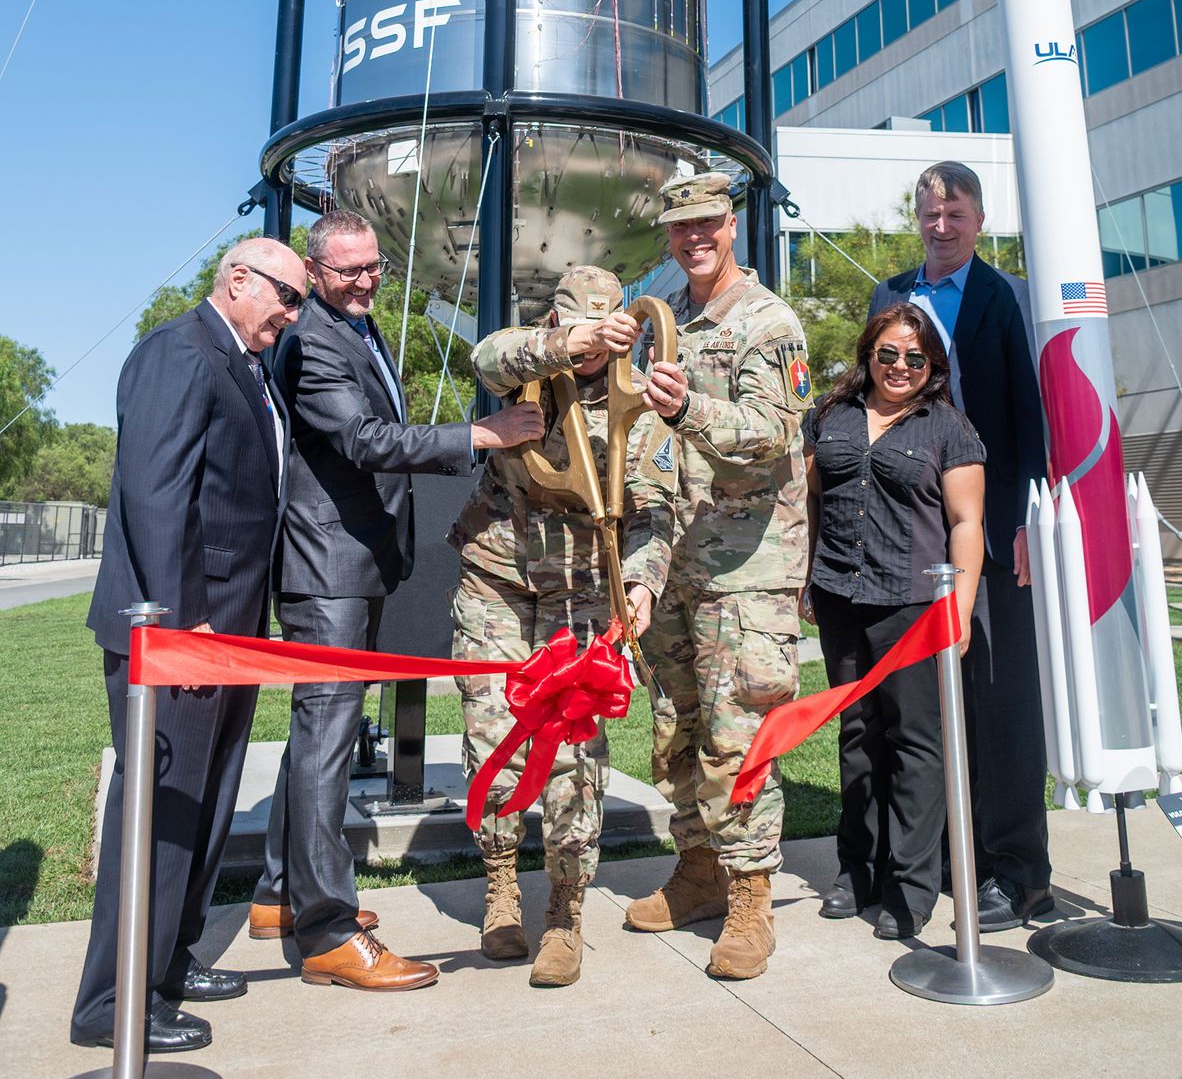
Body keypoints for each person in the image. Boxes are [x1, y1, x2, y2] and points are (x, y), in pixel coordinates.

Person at [248, 209, 540, 992]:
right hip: (327, 568)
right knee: (326, 739)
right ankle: (328, 933)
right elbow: (367, 442)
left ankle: (282, 892)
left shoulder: (355, 327)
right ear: (314, 273)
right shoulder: (312, 341)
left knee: (322, 735)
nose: (368, 281)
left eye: (375, 265)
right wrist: (480, 436)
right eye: (349, 271)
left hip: (357, 561)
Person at [71, 237, 308, 1055]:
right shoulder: (178, 350)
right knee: (161, 817)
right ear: (237, 278)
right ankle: (112, 1003)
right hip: (180, 633)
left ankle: (170, 959)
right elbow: (156, 492)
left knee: (206, 809)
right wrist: (180, 621)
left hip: (230, 627)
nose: (293, 312)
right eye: (286, 293)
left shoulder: (246, 363)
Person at [451, 265, 677, 988]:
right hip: (497, 578)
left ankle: (566, 913)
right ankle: (500, 887)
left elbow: (656, 511)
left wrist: (641, 583)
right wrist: (562, 342)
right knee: (493, 734)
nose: (590, 354)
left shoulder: (638, 405)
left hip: (582, 587)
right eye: (580, 333)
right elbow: (489, 353)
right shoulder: (522, 368)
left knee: (574, 751)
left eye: (604, 335)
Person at [625, 171, 812, 982]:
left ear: (731, 224)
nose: (693, 238)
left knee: (739, 735)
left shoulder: (768, 322)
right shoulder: (678, 325)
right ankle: (699, 870)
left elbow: (771, 433)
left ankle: (750, 897)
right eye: (679, 227)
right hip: (680, 562)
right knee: (679, 728)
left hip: (748, 566)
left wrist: (685, 410)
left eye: (706, 223)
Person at [869, 160, 1053, 930]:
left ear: (979, 220)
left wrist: (1021, 525)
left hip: (995, 523)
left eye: (956, 214)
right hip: (914, 529)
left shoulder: (1005, 296)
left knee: (1000, 696)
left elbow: (1027, 415)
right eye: (930, 214)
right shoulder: (891, 298)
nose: (941, 227)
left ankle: (1019, 869)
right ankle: (948, 858)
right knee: (926, 700)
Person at [803, 303, 985, 938]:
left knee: (915, 743)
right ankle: (856, 871)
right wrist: (806, 580)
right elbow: (812, 501)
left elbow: (966, 525)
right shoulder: (832, 416)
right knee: (857, 736)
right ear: (868, 354)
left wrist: (956, 612)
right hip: (840, 598)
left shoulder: (949, 428)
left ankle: (910, 887)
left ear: (931, 364)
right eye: (887, 354)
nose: (899, 366)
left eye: (914, 356)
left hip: (913, 603)